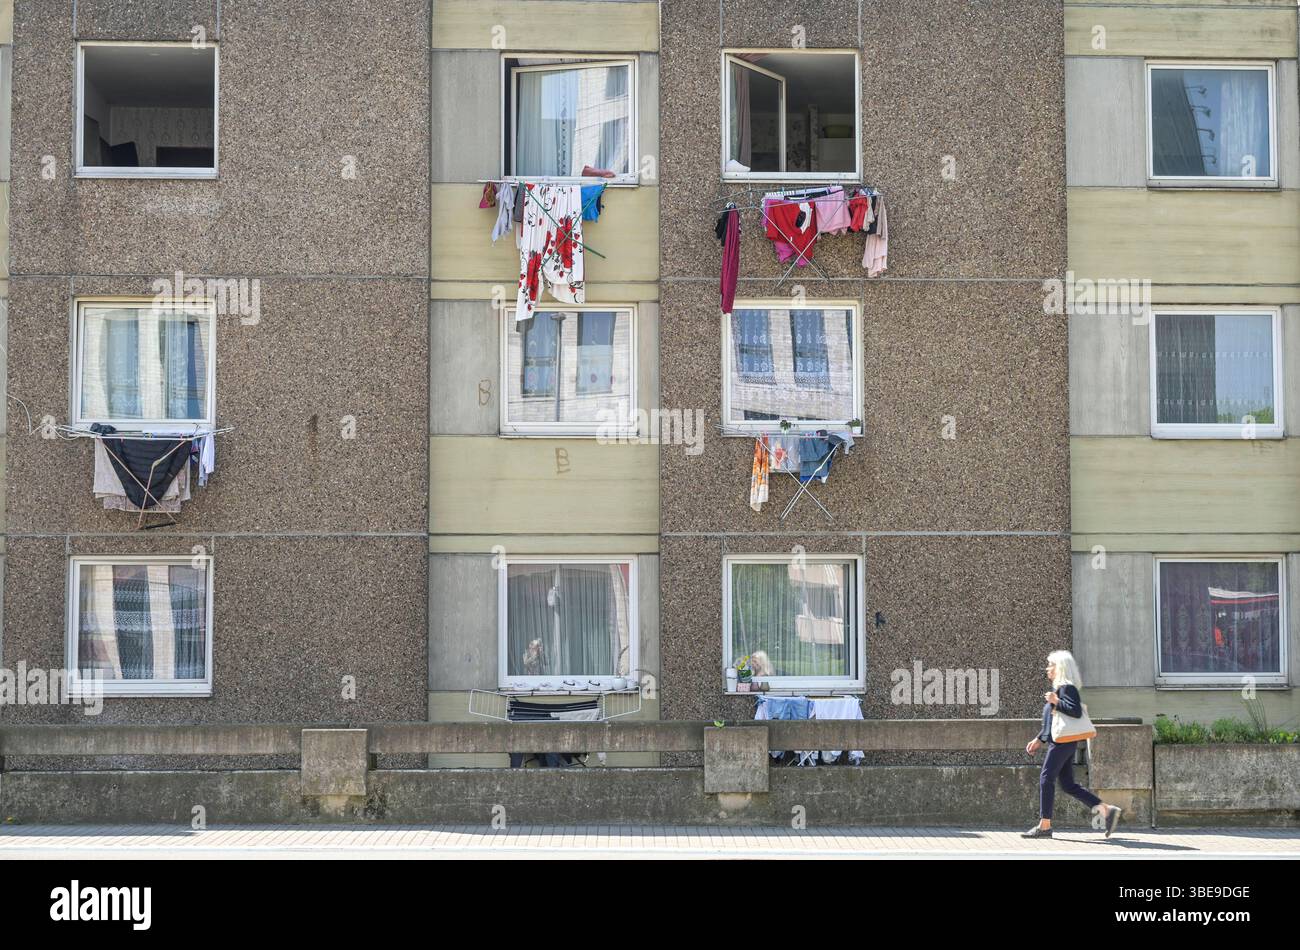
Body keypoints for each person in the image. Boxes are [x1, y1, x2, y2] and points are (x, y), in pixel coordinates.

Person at [1022, 650, 1122, 839]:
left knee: (1046, 778)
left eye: (1050, 664)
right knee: (1068, 785)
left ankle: (1044, 826)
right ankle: (1107, 811)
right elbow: (1053, 722)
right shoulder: (1061, 689)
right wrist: (1039, 739)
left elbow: (1074, 712)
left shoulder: (1067, 689)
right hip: (1062, 742)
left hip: (1062, 744)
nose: (1047, 668)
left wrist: (1056, 701)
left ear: (1060, 667)